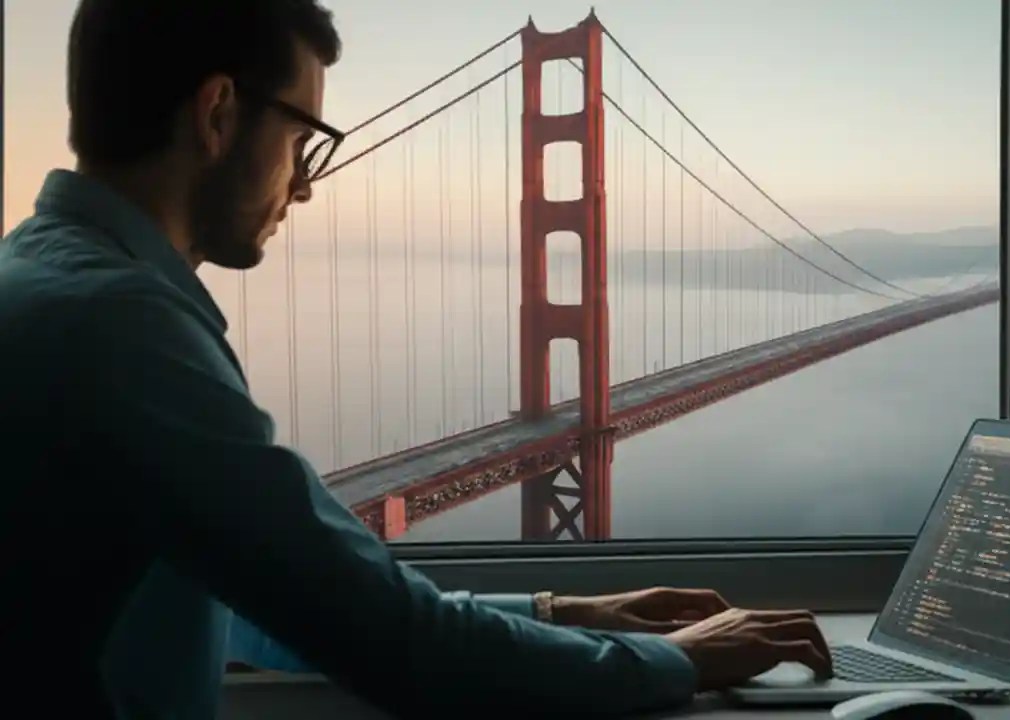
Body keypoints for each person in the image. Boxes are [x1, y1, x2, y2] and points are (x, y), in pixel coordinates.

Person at [0, 0, 833, 717]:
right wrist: (678, 661)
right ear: (218, 113)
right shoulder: (124, 333)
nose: (305, 184)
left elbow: (252, 605)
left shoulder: (41, 278)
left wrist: (561, 610)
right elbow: (398, 645)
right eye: (304, 138)